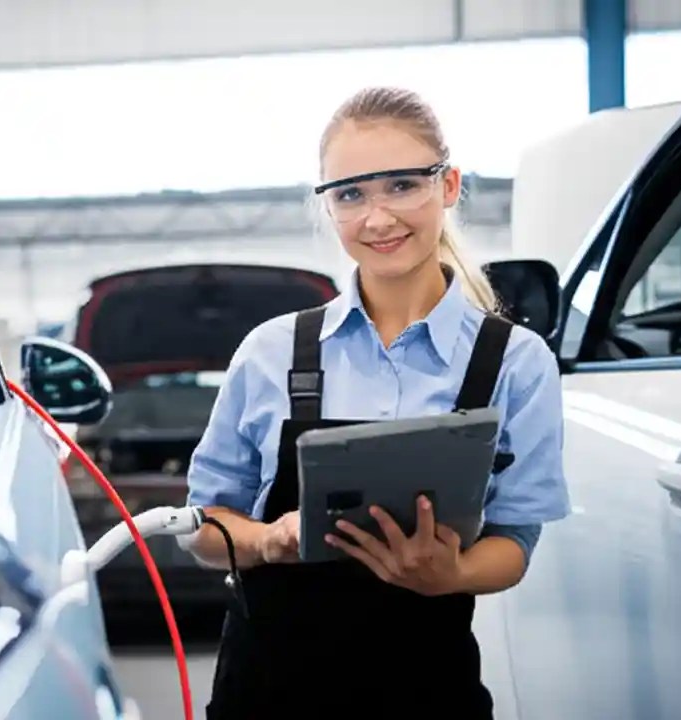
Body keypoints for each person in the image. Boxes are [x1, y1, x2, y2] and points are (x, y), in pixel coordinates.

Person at [183, 86, 571, 718]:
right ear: (328, 207)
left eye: (401, 185)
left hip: (426, 688)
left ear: (448, 187)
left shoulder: (514, 361)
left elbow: (515, 542)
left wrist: (453, 575)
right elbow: (205, 526)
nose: (378, 218)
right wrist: (264, 541)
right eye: (351, 194)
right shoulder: (271, 353)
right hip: (268, 693)